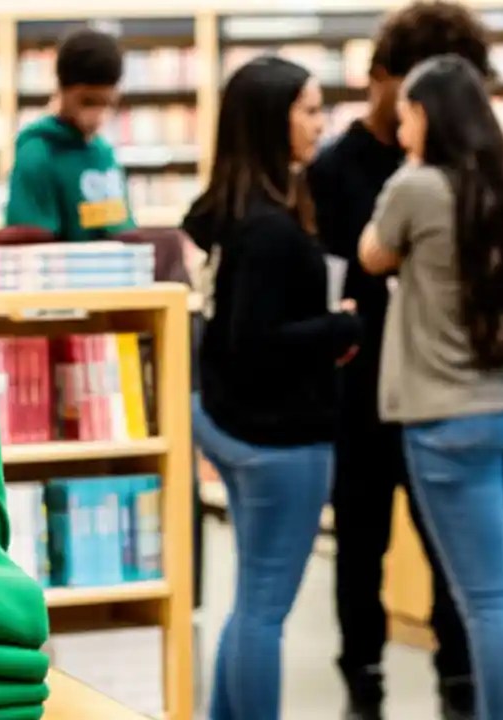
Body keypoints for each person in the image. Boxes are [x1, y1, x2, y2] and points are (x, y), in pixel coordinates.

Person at [358, 54, 503, 720]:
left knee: (486, 599)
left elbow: (372, 255)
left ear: (430, 118)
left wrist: (408, 174)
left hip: (452, 418)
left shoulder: (416, 187)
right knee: (496, 589)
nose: (400, 135)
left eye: (407, 120)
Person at [306, 4, 491, 717]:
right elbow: (334, 277)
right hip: (358, 388)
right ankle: (363, 680)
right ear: (378, 79)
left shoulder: (465, 167)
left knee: (451, 553)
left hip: (442, 388)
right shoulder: (334, 168)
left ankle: (459, 683)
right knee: (360, 546)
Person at [182, 56, 363, 720]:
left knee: (252, 601)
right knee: (265, 609)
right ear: (271, 120)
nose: (322, 124)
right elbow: (256, 340)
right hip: (279, 436)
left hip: (233, 419)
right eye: (310, 110)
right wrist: (337, 328)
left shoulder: (232, 210)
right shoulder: (268, 225)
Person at [5, 27, 135, 241]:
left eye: (108, 103)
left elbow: (122, 226)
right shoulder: (36, 154)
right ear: (61, 90)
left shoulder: (103, 152)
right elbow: (29, 244)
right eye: (87, 102)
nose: (97, 116)